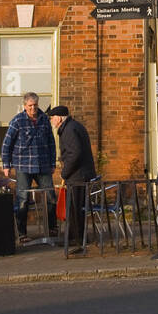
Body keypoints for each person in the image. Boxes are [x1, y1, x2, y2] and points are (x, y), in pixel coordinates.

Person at [1, 92, 57, 241]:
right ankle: (22, 233)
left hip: (43, 165)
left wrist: (53, 163)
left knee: (51, 197)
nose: (33, 108)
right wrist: (6, 165)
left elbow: (51, 142)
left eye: (35, 105)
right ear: (25, 106)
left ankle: (52, 228)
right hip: (23, 166)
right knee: (22, 199)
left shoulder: (44, 119)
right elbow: (7, 144)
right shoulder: (17, 121)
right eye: (30, 106)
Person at [48, 105, 96, 251]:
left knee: (76, 209)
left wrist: (65, 173)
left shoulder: (69, 130)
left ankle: (78, 240)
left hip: (77, 175)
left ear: (60, 118)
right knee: (73, 208)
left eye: (52, 118)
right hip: (78, 174)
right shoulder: (72, 127)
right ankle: (73, 237)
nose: (51, 121)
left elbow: (74, 153)